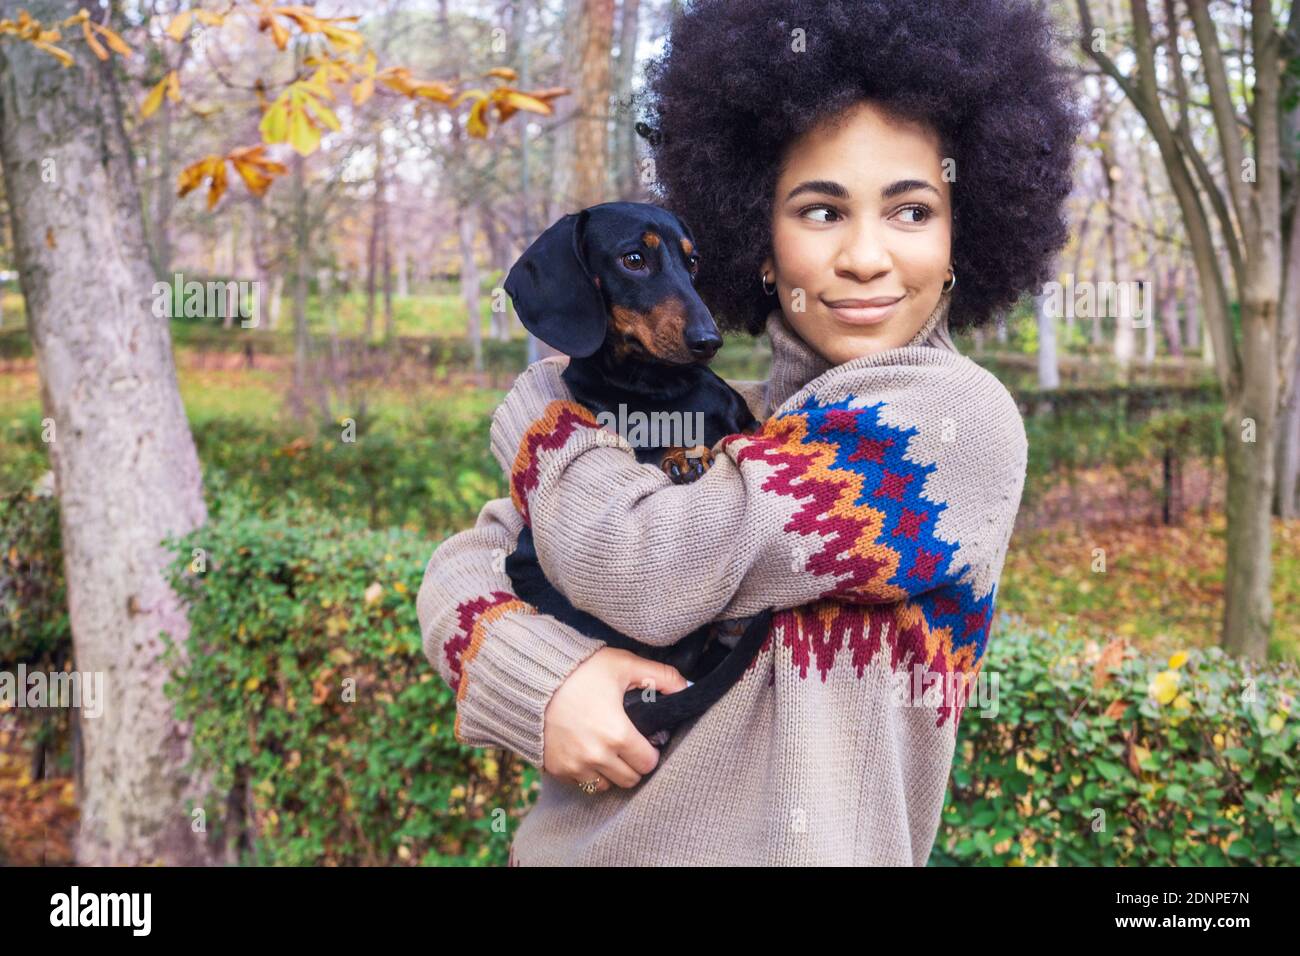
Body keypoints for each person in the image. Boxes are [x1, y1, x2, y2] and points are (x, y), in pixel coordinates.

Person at [416, 0, 1082, 865]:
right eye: (820, 210)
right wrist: (542, 681)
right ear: (757, 243)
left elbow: (643, 568)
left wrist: (545, 408)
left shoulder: (952, 425)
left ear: (964, 235)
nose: (867, 257)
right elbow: (468, 562)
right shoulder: (732, 424)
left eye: (912, 211)